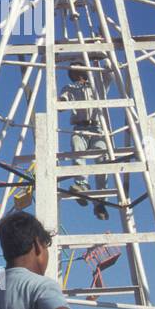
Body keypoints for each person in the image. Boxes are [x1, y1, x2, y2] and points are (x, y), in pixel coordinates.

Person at [59, 64, 110, 221]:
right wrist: (60, 102)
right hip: (80, 127)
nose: (78, 76)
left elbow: (109, 74)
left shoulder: (97, 85)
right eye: (75, 73)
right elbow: (63, 101)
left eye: (80, 72)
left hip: (97, 128)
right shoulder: (69, 87)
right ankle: (82, 186)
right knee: (77, 147)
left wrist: (101, 59)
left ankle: (100, 200)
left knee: (102, 158)